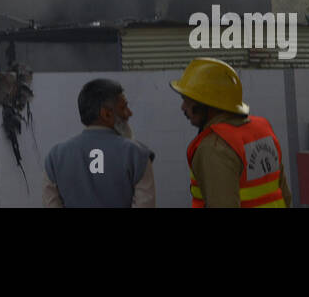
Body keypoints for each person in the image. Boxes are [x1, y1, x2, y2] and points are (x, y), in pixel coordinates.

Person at [169, 57, 291, 208]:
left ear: (207, 103)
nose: (183, 108)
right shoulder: (262, 129)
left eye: (187, 100)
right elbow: (285, 195)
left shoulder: (214, 147)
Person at [43, 78, 156, 207]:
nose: (129, 113)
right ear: (106, 114)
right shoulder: (137, 155)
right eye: (123, 107)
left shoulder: (55, 158)